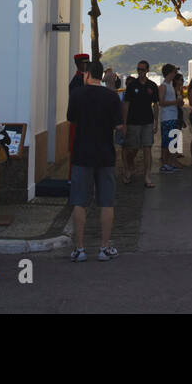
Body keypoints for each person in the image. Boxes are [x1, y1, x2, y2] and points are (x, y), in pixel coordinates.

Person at [66, 60, 124, 261]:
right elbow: (118, 126)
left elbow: (71, 118)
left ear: (87, 74)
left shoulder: (77, 95)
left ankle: (79, 249)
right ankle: (104, 247)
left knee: (79, 202)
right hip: (105, 154)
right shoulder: (111, 96)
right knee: (106, 202)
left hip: (82, 153)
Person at [121, 60, 158, 187]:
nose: (140, 72)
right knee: (131, 148)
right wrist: (124, 123)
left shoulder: (152, 86)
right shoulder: (132, 86)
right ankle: (128, 167)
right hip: (133, 122)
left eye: (142, 69)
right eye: (138, 69)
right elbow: (126, 104)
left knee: (147, 148)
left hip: (147, 121)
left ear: (147, 70)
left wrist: (156, 122)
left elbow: (155, 104)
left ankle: (147, 176)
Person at [157, 64, 182, 172]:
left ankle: (170, 163)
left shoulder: (171, 86)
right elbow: (161, 102)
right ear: (169, 73)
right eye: (174, 72)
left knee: (173, 142)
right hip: (167, 118)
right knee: (167, 142)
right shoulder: (163, 86)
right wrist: (175, 102)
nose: (175, 75)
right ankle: (165, 164)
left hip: (173, 116)